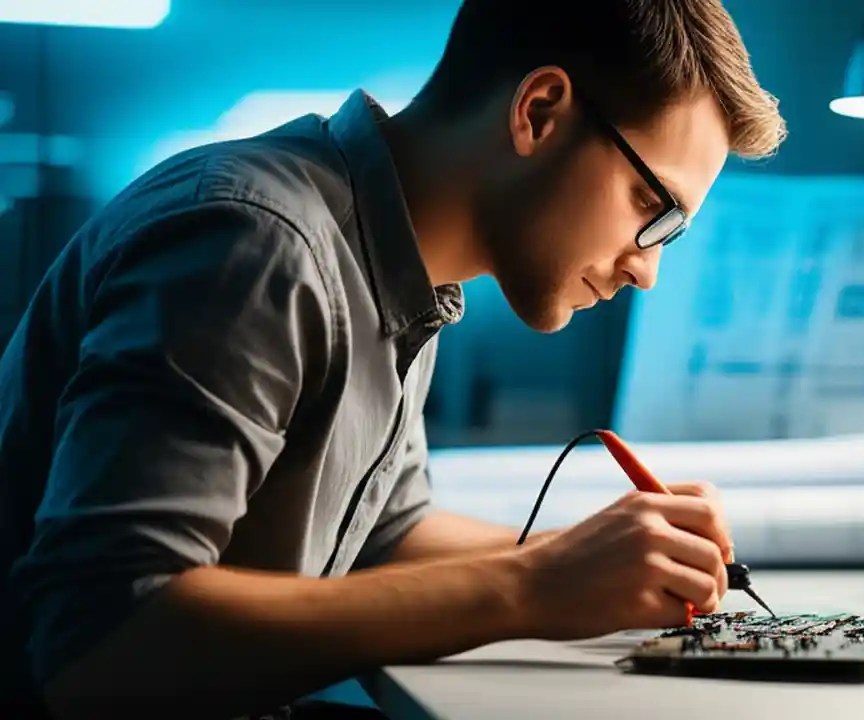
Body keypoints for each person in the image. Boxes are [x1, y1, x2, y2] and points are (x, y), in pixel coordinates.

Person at [0, 0, 786, 717]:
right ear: (539, 111)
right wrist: (532, 585)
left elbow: (383, 532)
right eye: (654, 208)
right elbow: (99, 644)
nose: (647, 267)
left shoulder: (399, 270)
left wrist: (606, 557)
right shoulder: (258, 245)